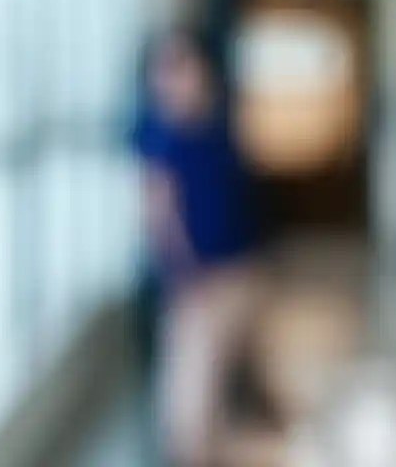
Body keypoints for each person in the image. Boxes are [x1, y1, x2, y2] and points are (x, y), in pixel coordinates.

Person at [133, 27, 262, 467]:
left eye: (184, 67)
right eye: (166, 70)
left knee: (220, 384)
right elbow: (159, 215)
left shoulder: (216, 124)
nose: (176, 80)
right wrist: (185, 274)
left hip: (237, 267)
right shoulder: (160, 135)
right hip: (198, 280)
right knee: (188, 397)